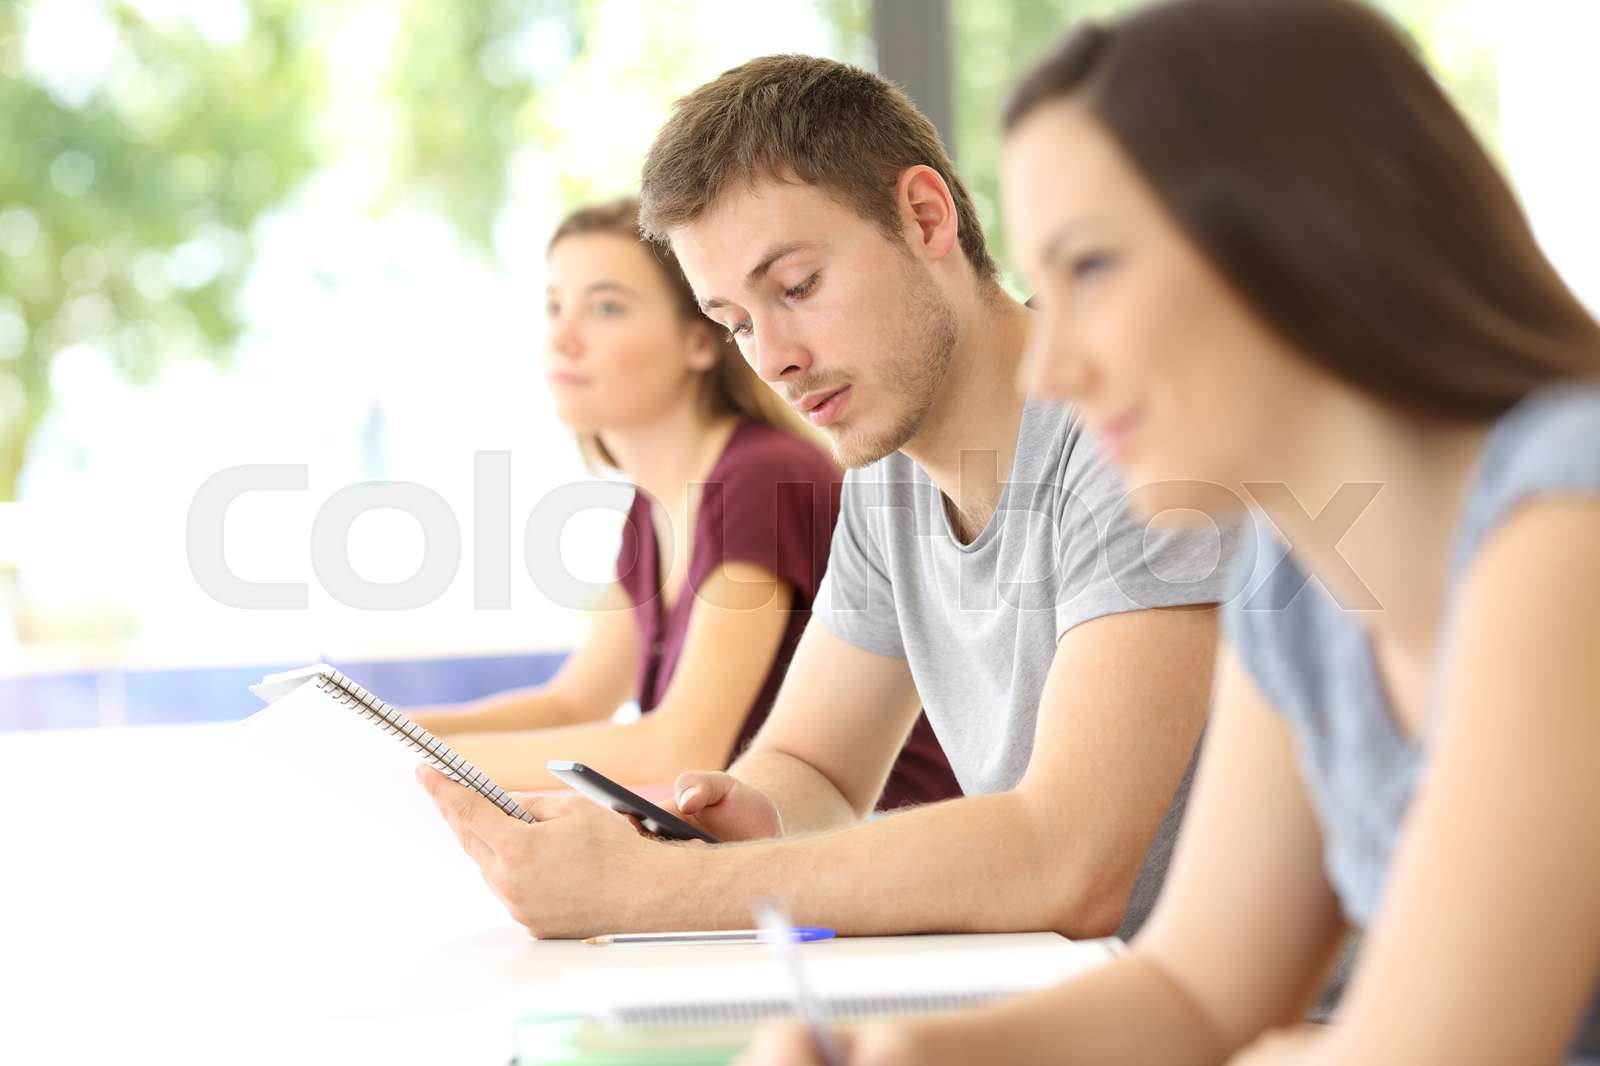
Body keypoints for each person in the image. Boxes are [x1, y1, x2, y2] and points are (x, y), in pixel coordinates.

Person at [739, 1, 1600, 1063]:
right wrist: (917, 1052)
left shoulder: (1568, 517)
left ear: (1299, 226)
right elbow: (1196, 990)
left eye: (1092, 268)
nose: (1050, 368)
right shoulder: (1294, 574)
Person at [418, 55, 1230, 942]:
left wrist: (651, 892)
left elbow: (1070, 863)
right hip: (1091, 991)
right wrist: (733, 821)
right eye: (734, 323)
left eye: (797, 288)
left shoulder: (1129, 428)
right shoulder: (888, 479)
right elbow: (817, 770)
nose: (771, 359)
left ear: (926, 217)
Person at [408, 198, 958, 805]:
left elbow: (682, 747)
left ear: (701, 341)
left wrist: (416, 765)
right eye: (555, 307)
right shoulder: (648, 512)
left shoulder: (760, 477)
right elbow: (573, 701)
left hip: (881, 849)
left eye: (606, 308)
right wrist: (386, 731)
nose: (562, 339)